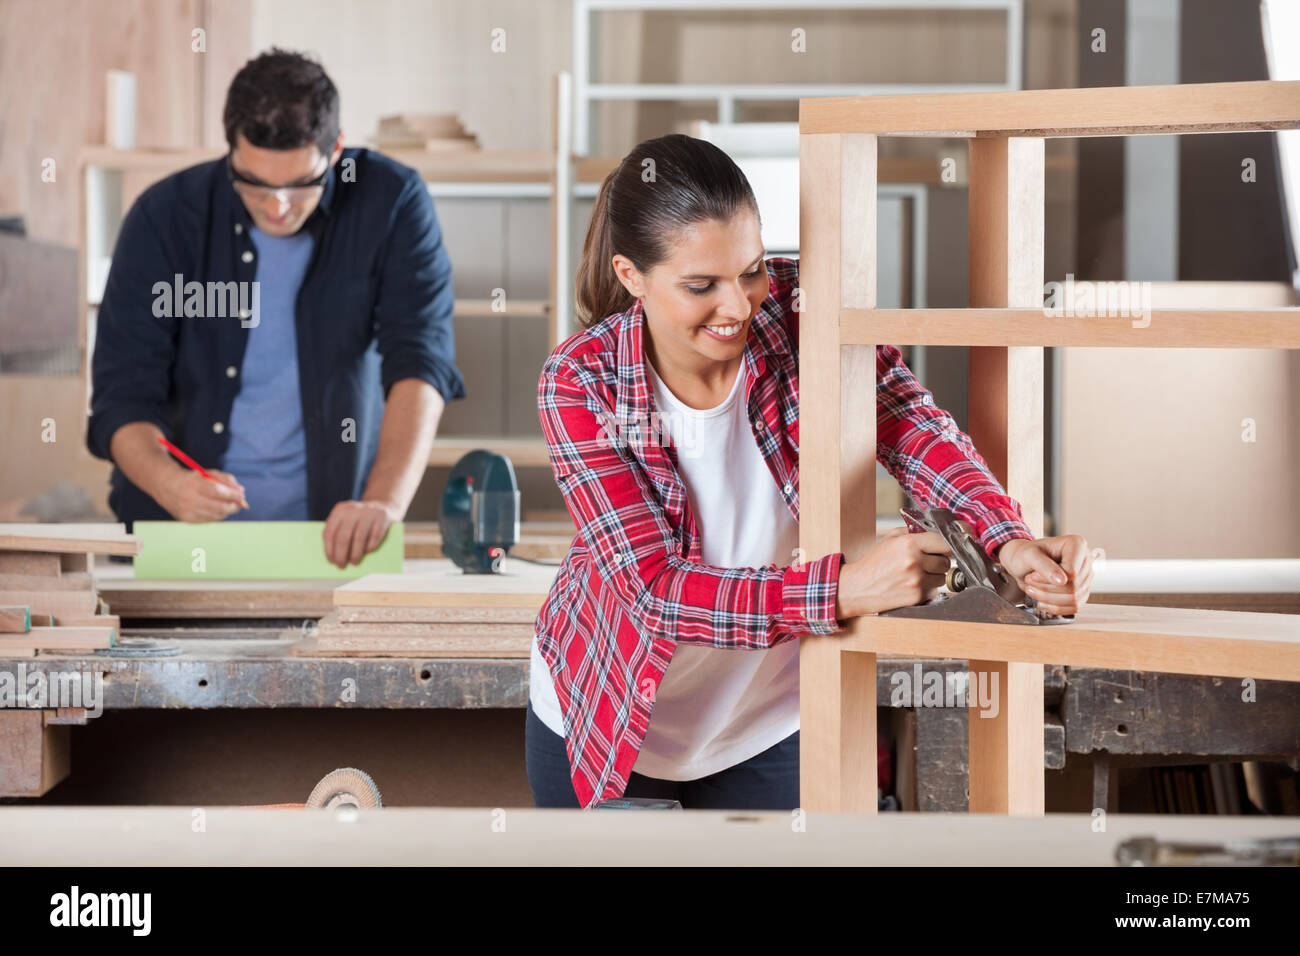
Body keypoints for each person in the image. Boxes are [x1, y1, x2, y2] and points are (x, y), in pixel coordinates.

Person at [526, 133, 1094, 810]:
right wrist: (845, 590)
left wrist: (1003, 536)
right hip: (613, 715)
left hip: (766, 720)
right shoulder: (580, 381)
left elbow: (905, 419)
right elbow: (653, 592)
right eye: (701, 286)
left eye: (750, 270)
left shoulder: (798, 308)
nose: (738, 306)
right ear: (631, 276)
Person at [86, 48, 465, 567]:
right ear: (231, 151)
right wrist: (169, 484)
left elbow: (421, 360)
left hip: (331, 546)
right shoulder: (165, 216)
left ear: (335, 149)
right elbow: (121, 397)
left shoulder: (390, 201)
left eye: (300, 184)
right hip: (175, 546)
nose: (277, 205)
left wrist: (382, 501)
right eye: (254, 183)